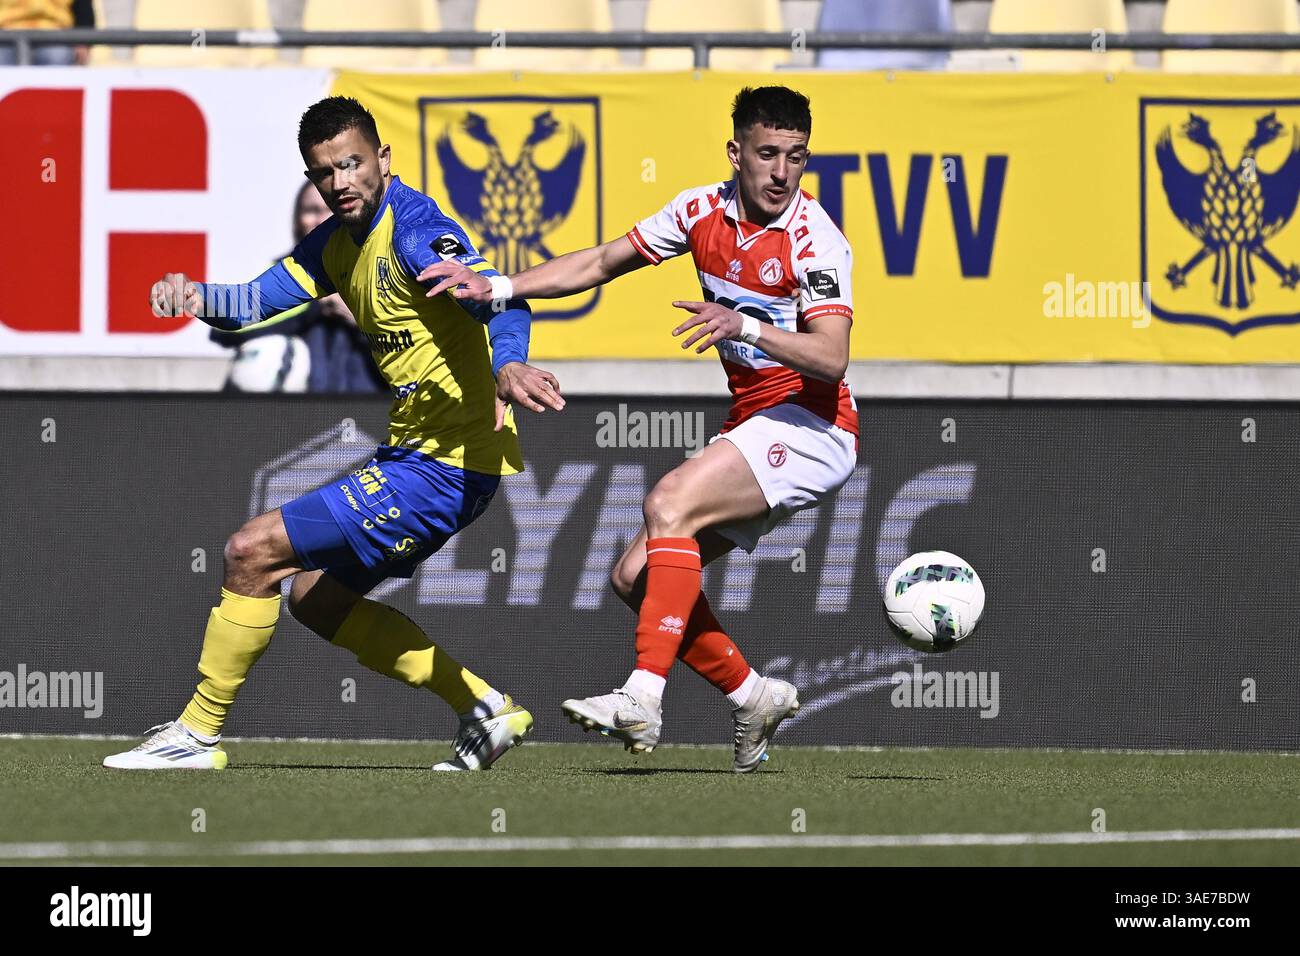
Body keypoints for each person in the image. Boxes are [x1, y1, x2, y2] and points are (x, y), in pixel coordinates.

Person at [104, 96, 565, 772]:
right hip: (419, 456)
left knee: (249, 552)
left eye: (351, 163)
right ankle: (484, 707)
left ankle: (196, 735)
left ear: (383, 159)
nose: (340, 182)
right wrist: (195, 295)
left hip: (446, 465)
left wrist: (509, 363)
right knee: (314, 599)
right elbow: (255, 302)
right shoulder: (334, 243)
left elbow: (499, 296)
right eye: (324, 173)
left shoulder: (416, 231)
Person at [420, 86, 856, 773]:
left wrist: (746, 325)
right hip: (754, 422)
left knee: (667, 502)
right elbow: (598, 263)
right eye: (767, 154)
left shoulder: (814, 238)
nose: (781, 173)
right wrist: (500, 289)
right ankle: (753, 696)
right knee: (635, 576)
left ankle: (642, 698)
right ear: (735, 153)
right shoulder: (698, 211)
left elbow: (832, 357)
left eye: (795, 157)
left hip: (813, 426)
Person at [210, 181, 388, 394]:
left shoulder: (383, 271)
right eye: (311, 210)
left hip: (374, 411)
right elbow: (222, 328)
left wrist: (358, 317)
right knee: (270, 350)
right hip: (300, 417)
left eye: (332, 209)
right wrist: (312, 305)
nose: (321, 220)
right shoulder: (284, 274)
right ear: (297, 220)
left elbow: (412, 350)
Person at [0, 0, 95, 65]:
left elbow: (83, 6)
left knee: (57, 58)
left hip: (55, 31)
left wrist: (83, 42)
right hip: (7, 31)